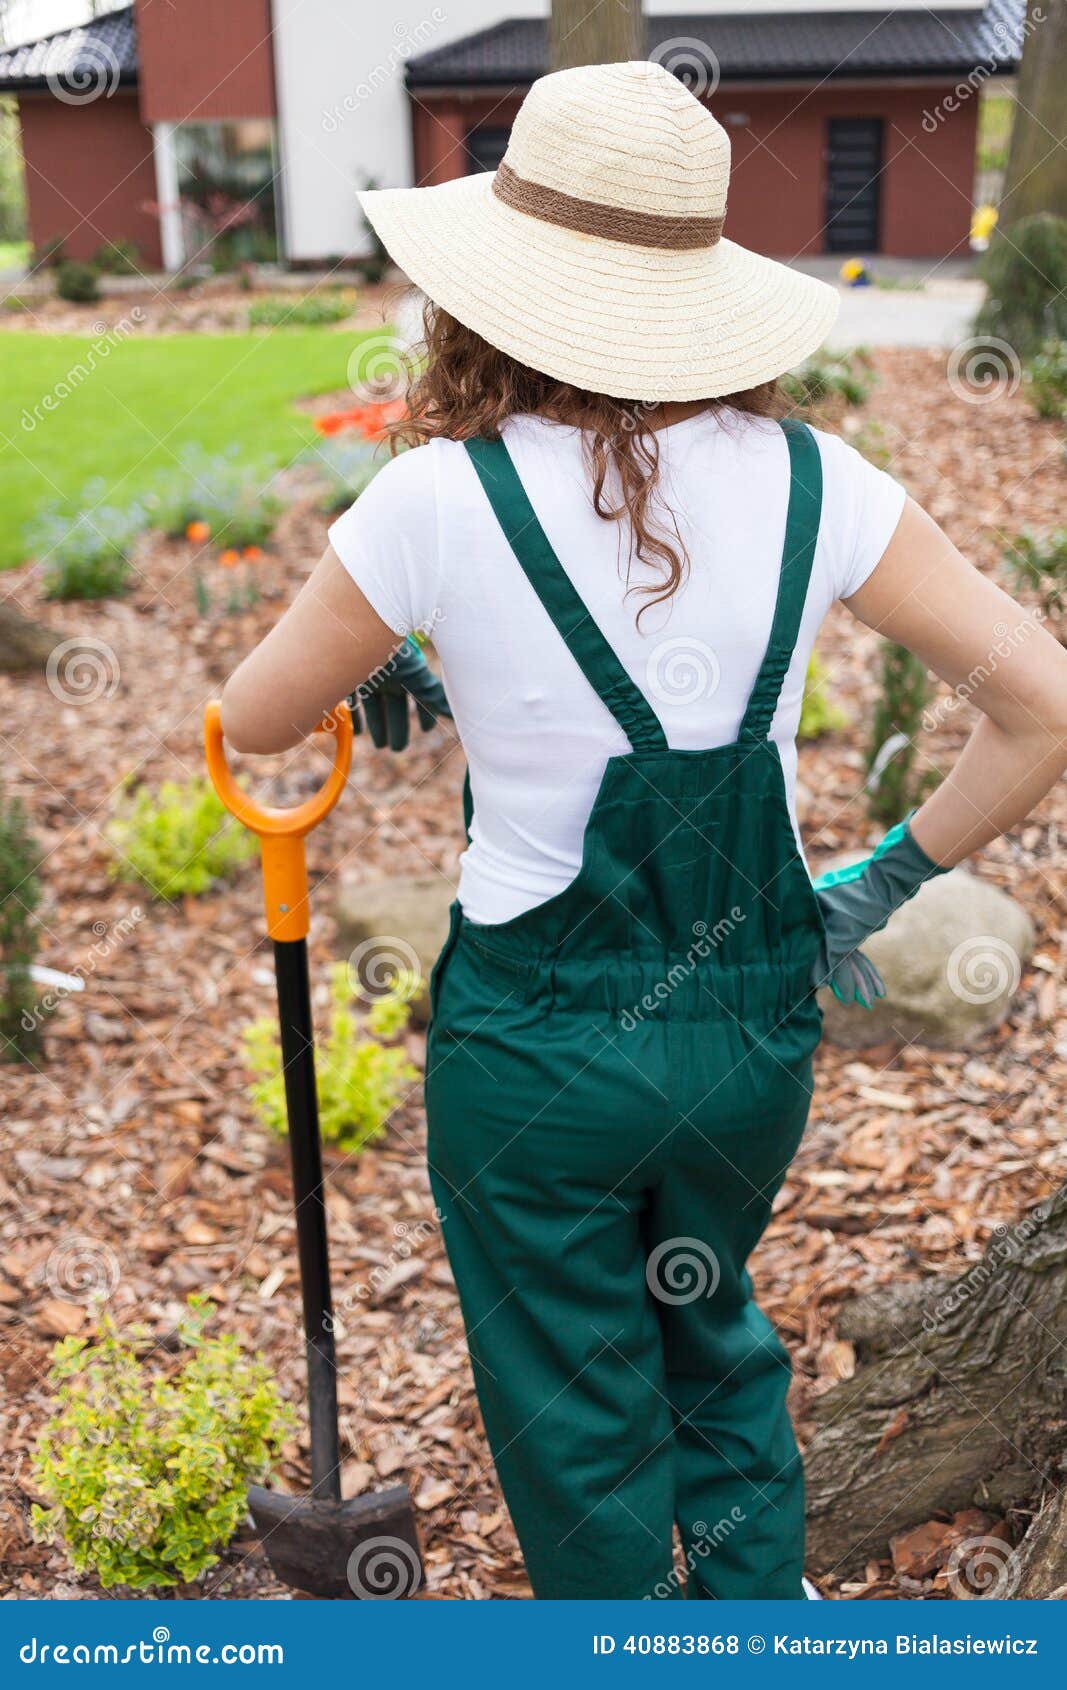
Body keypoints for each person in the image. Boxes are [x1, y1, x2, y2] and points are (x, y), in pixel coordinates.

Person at [221, 63, 1067, 1599]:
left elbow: (255, 714)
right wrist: (874, 888)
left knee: (576, 1416)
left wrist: (395, 654)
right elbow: (1047, 710)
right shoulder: (823, 485)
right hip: (744, 1035)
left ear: (490, 292)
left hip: (534, 1059)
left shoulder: (431, 505)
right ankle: (757, 1628)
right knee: (720, 1341)